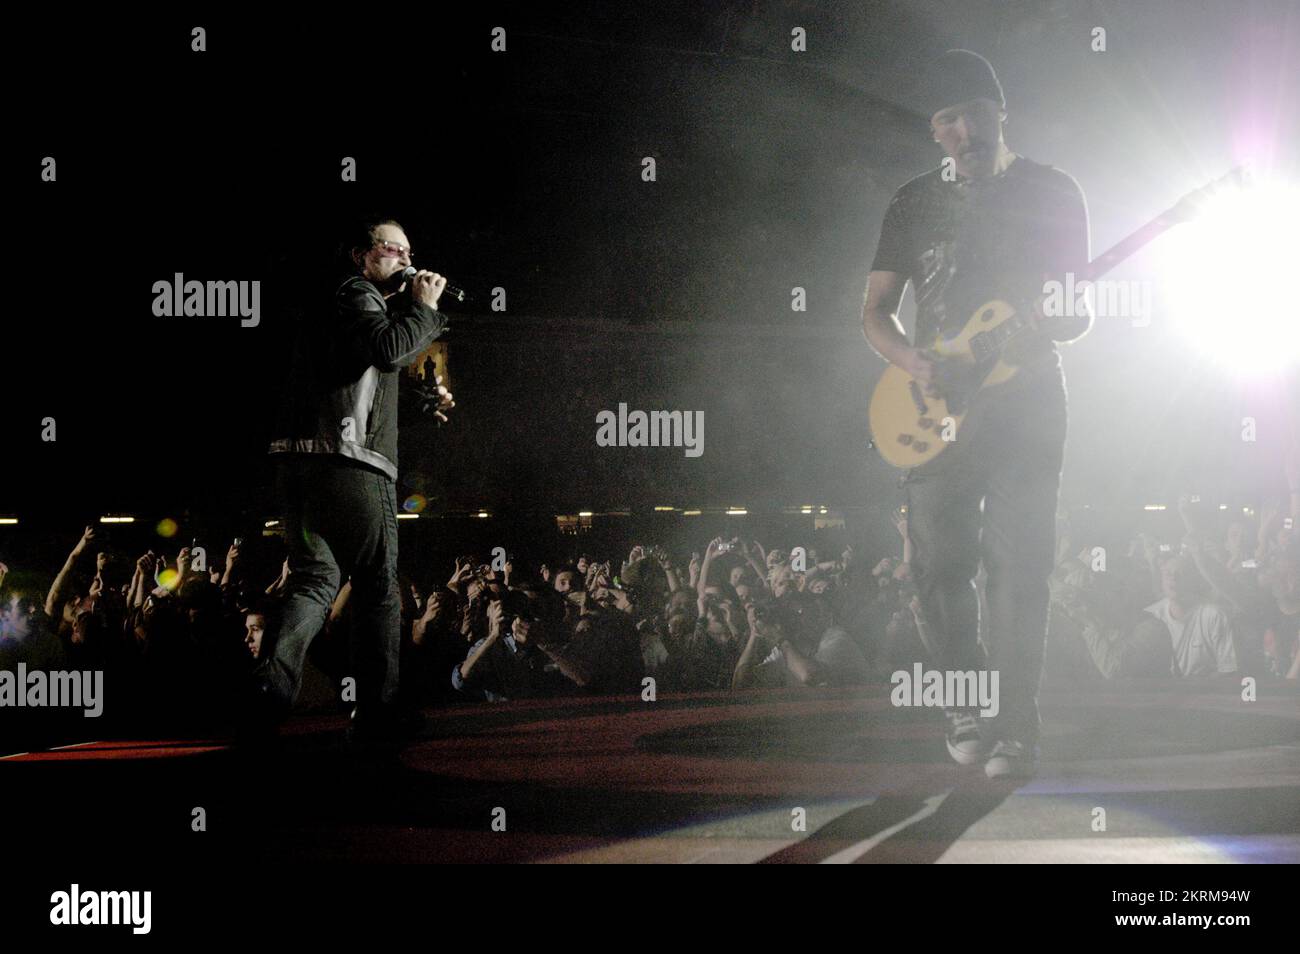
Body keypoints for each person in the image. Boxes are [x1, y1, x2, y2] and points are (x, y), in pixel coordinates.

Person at [862, 50, 1092, 778]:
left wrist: (1061, 315)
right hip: (938, 404)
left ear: (1001, 112)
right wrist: (915, 364)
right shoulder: (912, 201)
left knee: (1022, 568)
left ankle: (1016, 724)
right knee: (937, 566)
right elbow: (873, 312)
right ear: (935, 132)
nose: (964, 129)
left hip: (1027, 402)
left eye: (975, 113)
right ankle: (966, 701)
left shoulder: (1055, 190)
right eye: (948, 119)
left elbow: (1075, 313)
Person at [253, 217, 452, 741]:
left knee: (314, 582)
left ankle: (266, 698)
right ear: (362, 254)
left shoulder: (349, 305)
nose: (407, 259)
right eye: (393, 249)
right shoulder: (357, 294)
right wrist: (425, 307)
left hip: (302, 466)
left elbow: (364, 382)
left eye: (410, 250)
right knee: (378, 588)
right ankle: (379, 713)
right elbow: (388, 351)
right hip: (351, 466)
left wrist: (420, 402)